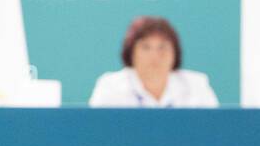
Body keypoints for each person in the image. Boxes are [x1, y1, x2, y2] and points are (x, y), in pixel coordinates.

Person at [88, 16, 219, 108]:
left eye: (163, 47)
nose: (155, 55)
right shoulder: (110, 86)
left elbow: (213, 130)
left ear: (175, 53)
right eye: (146, 47)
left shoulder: (196, 84)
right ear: (131, 53)